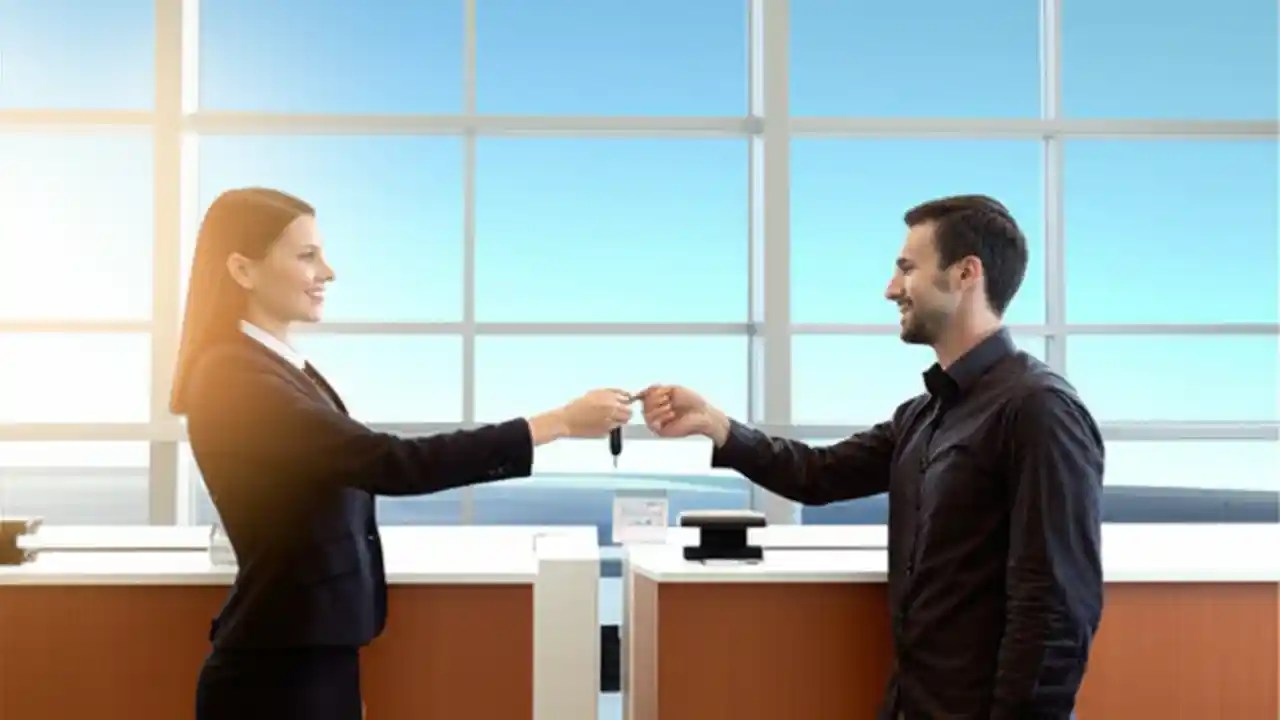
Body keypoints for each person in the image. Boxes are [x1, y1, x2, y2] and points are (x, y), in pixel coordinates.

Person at [170, 187, 633, 720]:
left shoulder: (275, 367)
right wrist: (559, 424)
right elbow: (388, 463)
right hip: (278, 677)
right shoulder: (236, 377)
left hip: (308, 660)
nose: (329, 271)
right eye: (307, 256)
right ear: (242, 270)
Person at [641, 195, 1105, 719]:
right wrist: (714, 424)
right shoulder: (924, 413)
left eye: (907, 268)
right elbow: (818, 474)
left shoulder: (1040, 410)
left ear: (965, 274)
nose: (891, 289)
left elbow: (1057, 610)